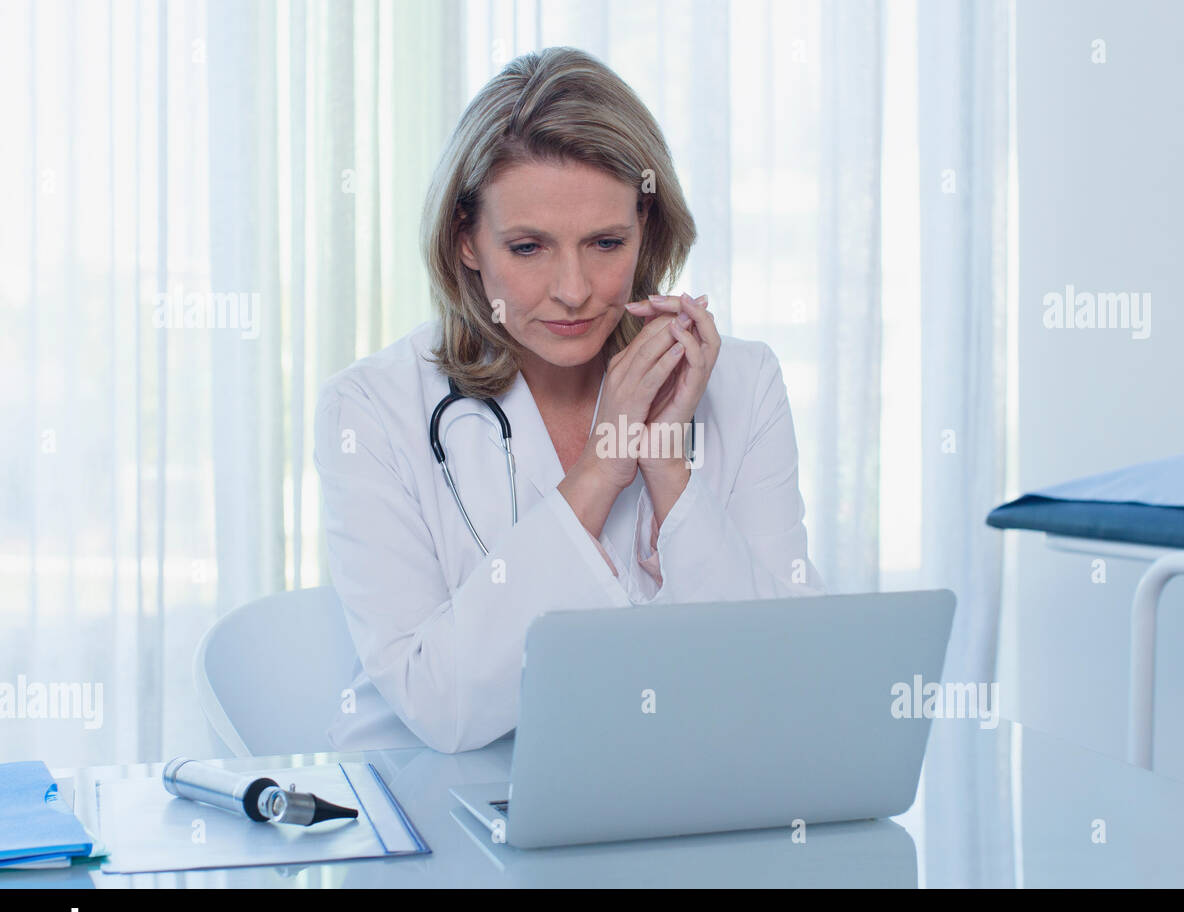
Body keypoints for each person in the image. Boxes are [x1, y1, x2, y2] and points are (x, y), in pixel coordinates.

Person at [315, 46, 825, 754]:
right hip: (432, 820)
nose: (575, 290)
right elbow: (439, 704)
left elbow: (788, 678)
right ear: (467, 240)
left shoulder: (742, 382)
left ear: (646, 225)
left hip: (667, 808)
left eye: (606, 242)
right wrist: (598, 472)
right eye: (529, 248)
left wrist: (668, 473)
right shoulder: (369, 409)